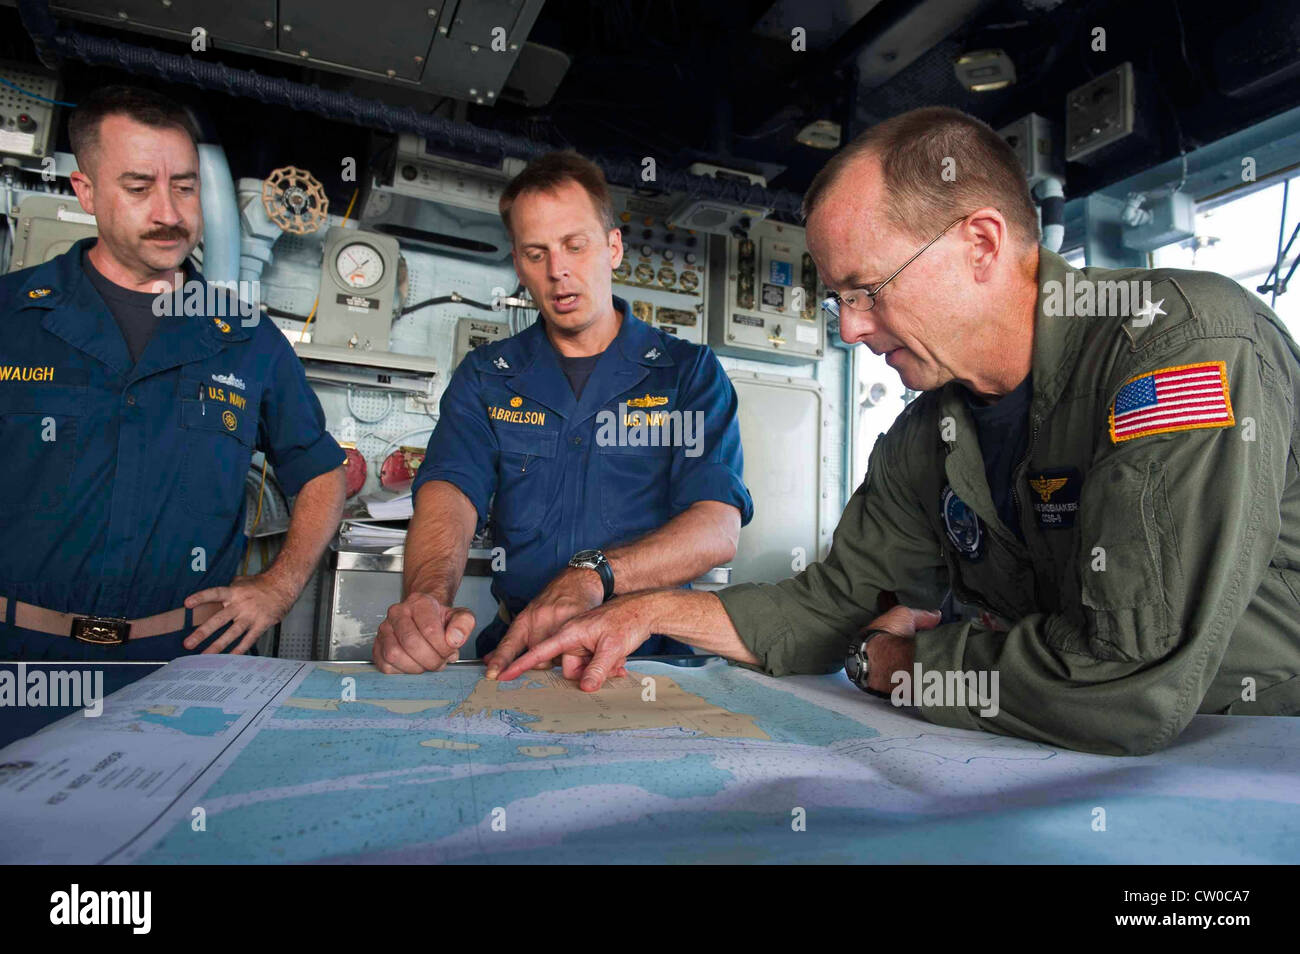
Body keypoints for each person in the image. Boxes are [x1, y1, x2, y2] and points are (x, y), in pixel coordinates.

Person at [497, 107, 1300, 755]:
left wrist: (914, 666)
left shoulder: (1178, 350)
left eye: (868, 290)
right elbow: (830, 605)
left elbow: (1132, 682)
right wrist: (644, 611)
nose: (850, 330)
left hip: (1253, 752)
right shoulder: (928, 435)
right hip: (1058, 752)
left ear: (980, 244)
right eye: (838, 300)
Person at [374, 150, 753, 680]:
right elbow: (450, 491)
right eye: (536, 253)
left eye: (575, 245)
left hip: (650, 661)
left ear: (613, 246)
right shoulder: (488, 377)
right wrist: (426, 597)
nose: (558, 271)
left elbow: (716, 527)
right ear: (517, 264)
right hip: (523, 654)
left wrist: (592, 574)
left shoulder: (687, 375)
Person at [0, 85, 345, 660]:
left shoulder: (247, 339)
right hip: (18, 658)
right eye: (138, 187)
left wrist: (278, 589)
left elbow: (321, 472)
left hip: (180, 662)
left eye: (184, 187)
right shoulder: (12, 317)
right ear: (85, 190)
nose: (168, 212)